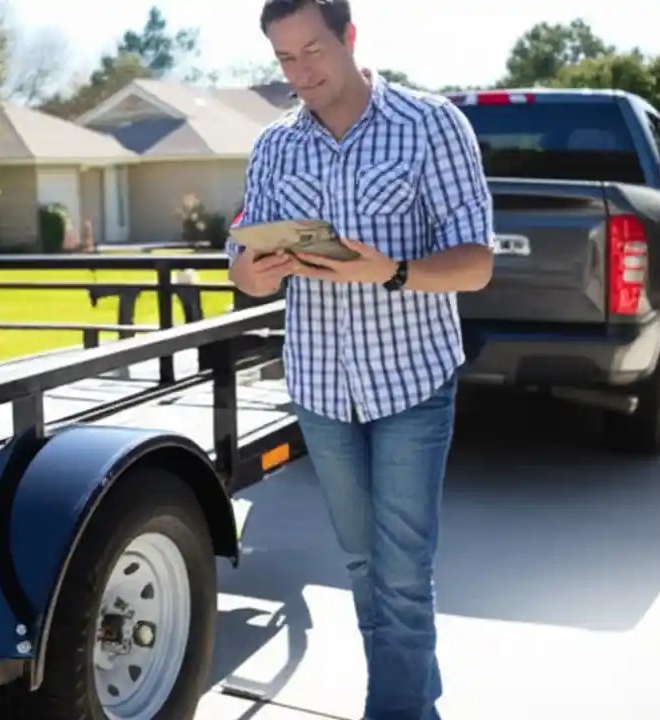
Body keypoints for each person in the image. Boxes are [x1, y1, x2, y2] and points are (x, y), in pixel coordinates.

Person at [225, 2, 495, 719]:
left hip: (411, 382)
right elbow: (242, 251)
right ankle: (416, 699)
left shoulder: (431, 124)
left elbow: (475, 264)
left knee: (402, 574)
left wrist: (394, 271)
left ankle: (394, 708)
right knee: (364, 566)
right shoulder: (275, 146)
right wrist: (249, 275)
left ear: (349, 38)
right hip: (319, 387)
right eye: (285, 59)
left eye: (312, 50)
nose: (301, 72)